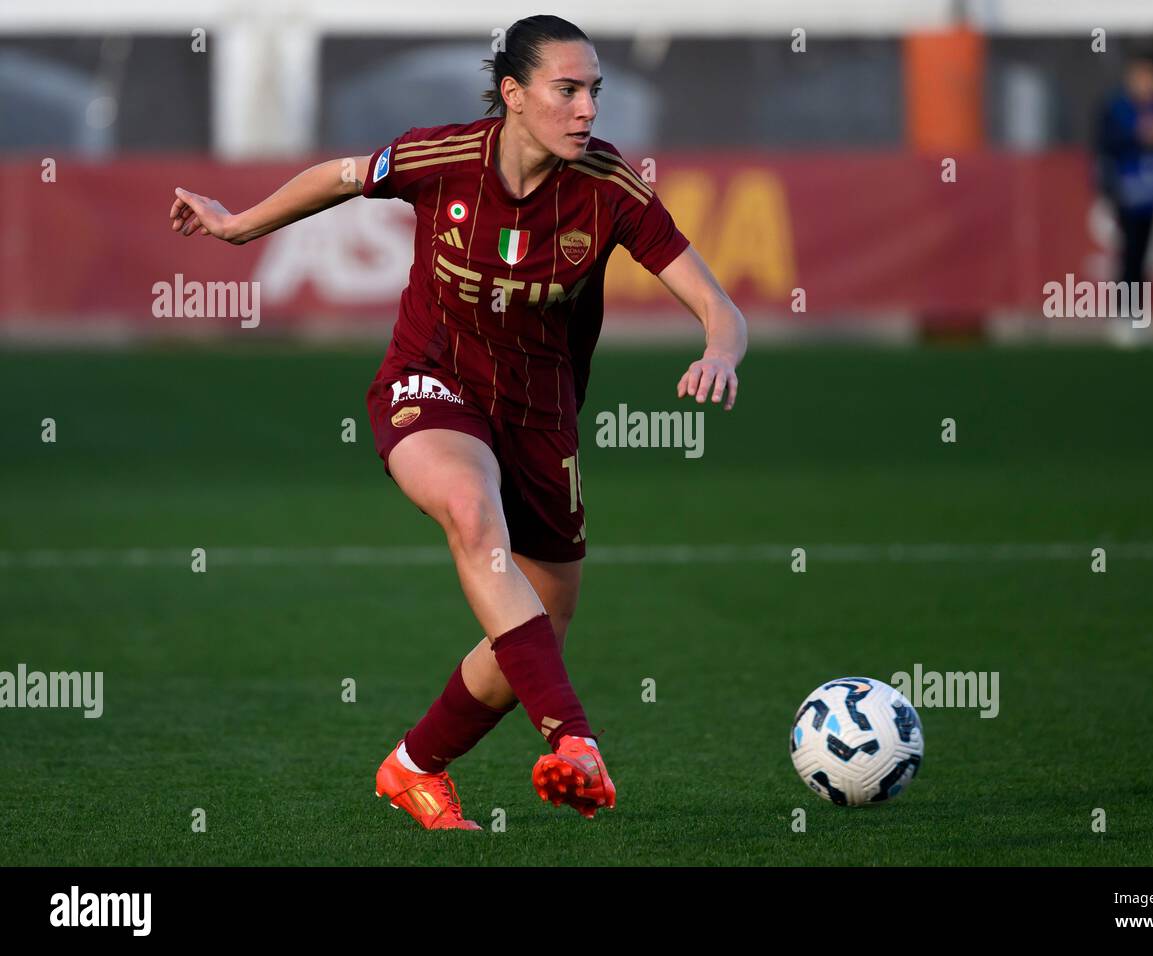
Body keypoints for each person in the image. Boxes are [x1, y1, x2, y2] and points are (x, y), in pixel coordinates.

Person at [168, 15, 748, 829]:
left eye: (595, 92)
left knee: (536, 632)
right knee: (475, 517)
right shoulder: (438, 157)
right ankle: (574, 740)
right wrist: (236, 226)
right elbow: (338, 178)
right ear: (513, 94)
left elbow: (719, 308)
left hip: (543, 417)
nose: (587, 109)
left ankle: (413, 766)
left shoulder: (610, 189)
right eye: (568, 90)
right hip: (430, 384)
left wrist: (721, 351)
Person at [1095, 52, 1153, 289]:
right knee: (1130, 250)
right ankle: (1125, 313)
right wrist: (1138, 136)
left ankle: (1140, 313)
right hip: (1124, 191)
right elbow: (1104, 142)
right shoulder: (1116, 107)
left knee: (1147, 255)